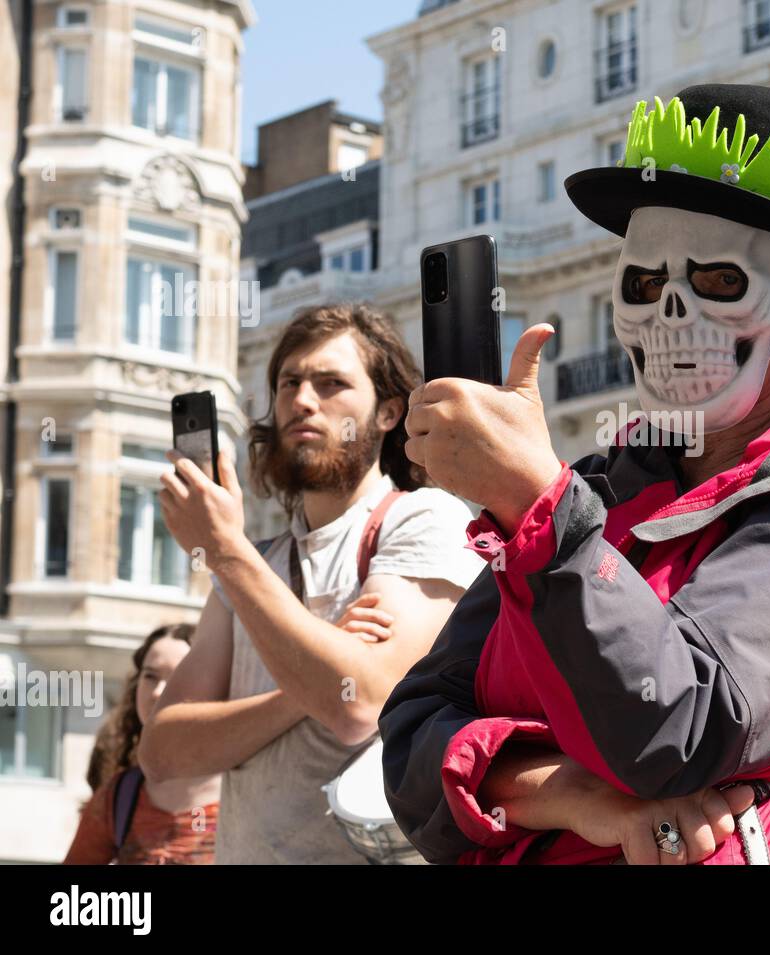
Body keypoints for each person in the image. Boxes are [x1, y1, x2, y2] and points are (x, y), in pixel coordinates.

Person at [381, 84, 770, 865]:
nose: (671, 313)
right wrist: (577, 797)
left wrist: (536, 505)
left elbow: (682, 726)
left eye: (718, 280)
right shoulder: (595, 489)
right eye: (645, 285)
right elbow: (414, 734)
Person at [138, 304, 485, 864]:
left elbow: (359, 704)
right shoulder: (255, 566)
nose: (302, 400)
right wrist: (304, 687)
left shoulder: (425, 519)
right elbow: (162, 752)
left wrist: (226, 551)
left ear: (388, 412)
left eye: (331, 384)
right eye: (288, 383)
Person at [65, 624, 220, 864]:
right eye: (150, 676)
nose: (158, 691)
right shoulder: (118, 797)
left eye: (177, 676)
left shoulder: (246, 789)